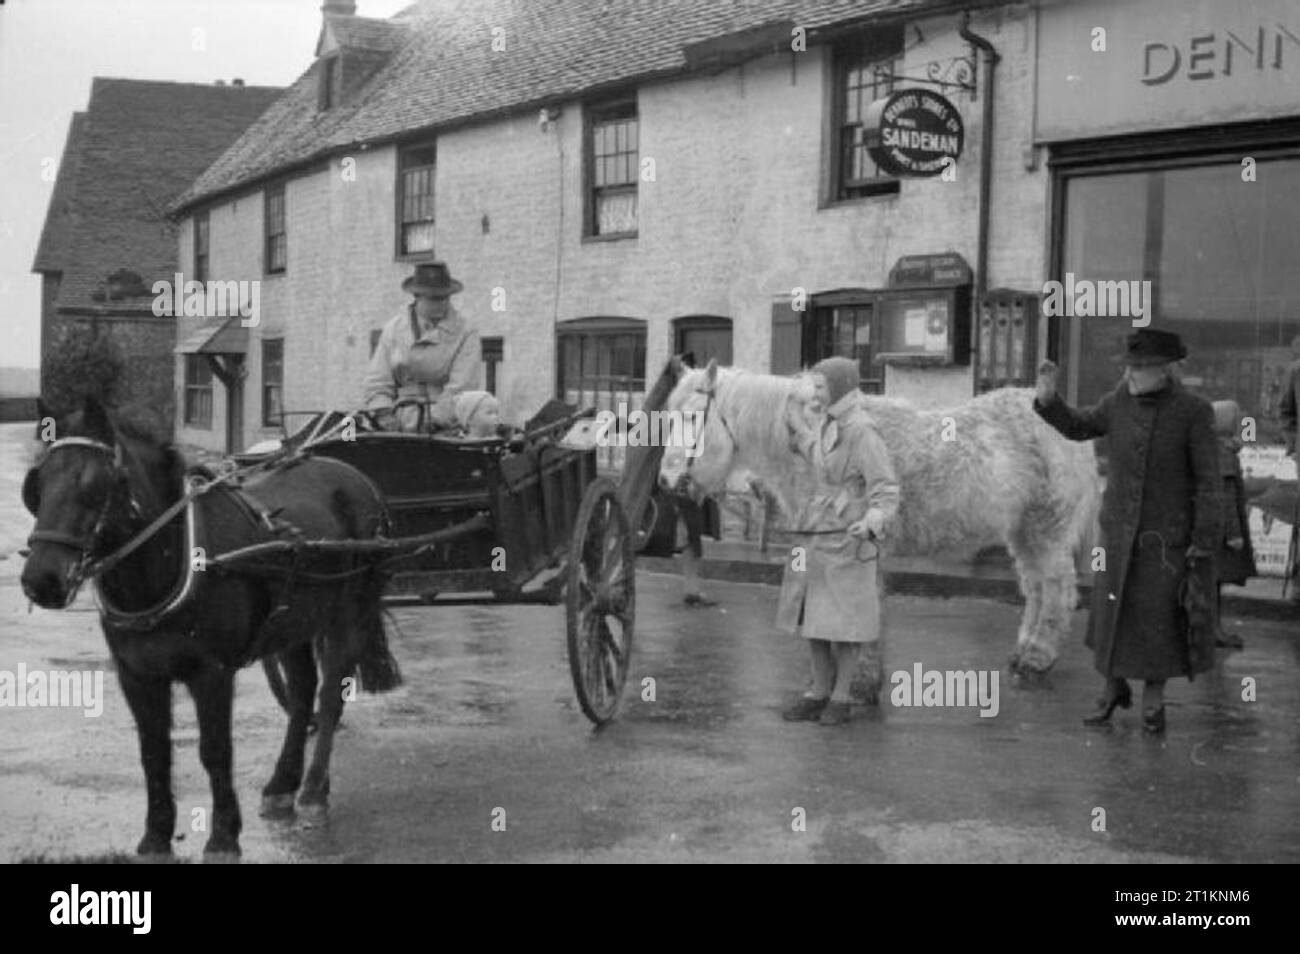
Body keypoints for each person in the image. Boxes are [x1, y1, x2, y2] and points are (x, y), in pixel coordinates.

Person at [1033, 329, 1221, 735]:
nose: (1133, 374)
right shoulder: (1119, 401)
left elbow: (1209, 481)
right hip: (1118, 534)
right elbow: (1081, 426)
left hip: (1166, 540)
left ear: (1166, 369)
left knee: (1159, 621)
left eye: (1142, 367)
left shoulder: (1193, 412)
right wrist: (1050, 402)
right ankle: (1112, 688)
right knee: (1111, 615)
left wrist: (1203, 541)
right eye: (1131, 366)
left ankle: (1154, 695)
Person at [776, 356, 899, 726]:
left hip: (848, 535)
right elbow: (822, 459)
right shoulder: (830, 424)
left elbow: (886, 489)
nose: (815, 393)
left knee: (846, 622)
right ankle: (818, 691)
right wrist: (800, 436)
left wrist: (872, 521)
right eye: (815, 386)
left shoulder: (862, 431)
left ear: (840, 389)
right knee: (812, 616)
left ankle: (841, 696)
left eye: (820, 387)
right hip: (818, 530)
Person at [365, 262, 482, 432]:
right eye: (434, 298)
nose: (441, 304)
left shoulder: (465, 331)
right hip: (396, 420)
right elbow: (378, 380)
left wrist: (435, 420)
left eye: (445, 298)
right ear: (417, 296)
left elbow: (462, 386)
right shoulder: (394, 329)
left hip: (445, 424)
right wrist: (383, 413)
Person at [1210, 399, 1256, 649]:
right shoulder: (1223, 453)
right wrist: (1233, 533)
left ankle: (1212, 631)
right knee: (1214, 582)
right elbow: (1225, 496)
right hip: (1220, 534)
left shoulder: (1216, 448)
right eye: (1238, 422)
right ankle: (1214, 632)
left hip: (1213, 530)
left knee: (1210, 582)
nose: (1242, 427)